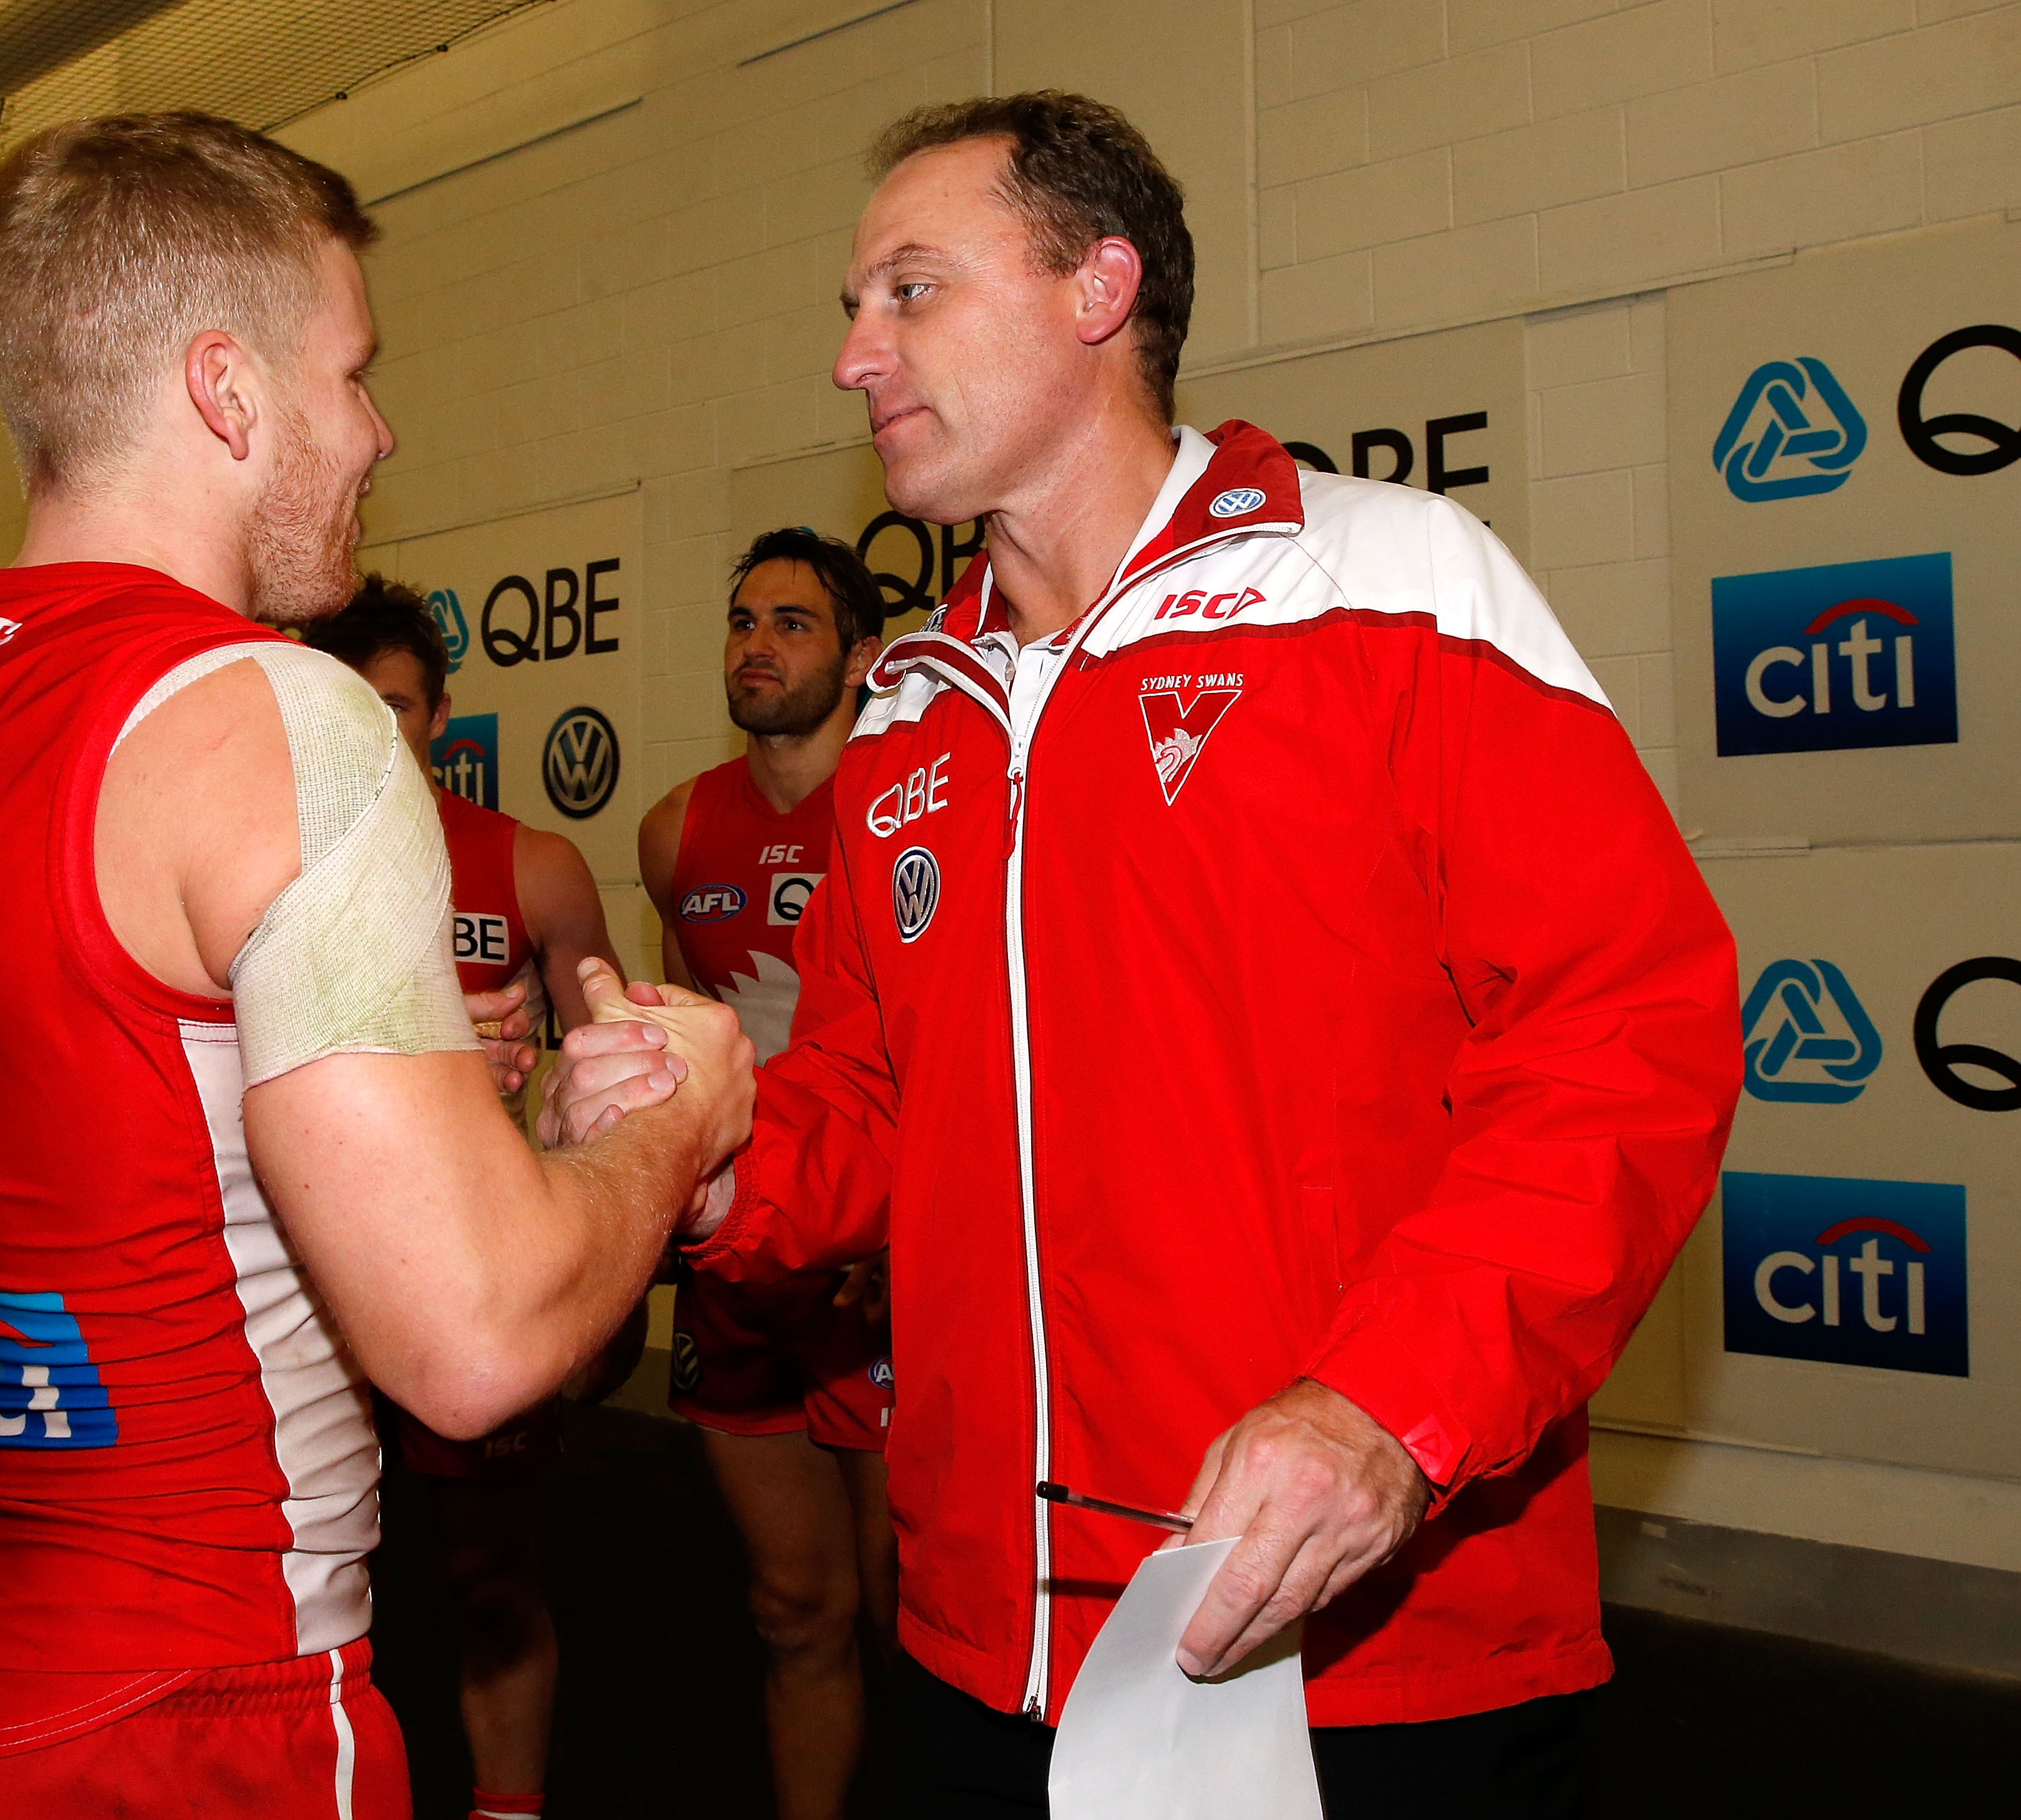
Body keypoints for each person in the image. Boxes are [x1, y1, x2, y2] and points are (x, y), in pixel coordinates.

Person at [550, 92, 1742, 1819]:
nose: (851, 357)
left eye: (907, 292)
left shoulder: (1391, 587)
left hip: (1346, 1648)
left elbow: (1627, 1032)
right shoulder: (910, 716)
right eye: (848, 306)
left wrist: (1385, 1410)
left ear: (1097, 291)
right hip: (979, 1652)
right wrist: (712, 1147)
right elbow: (878, 1103)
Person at [0, 113, 749, 1820]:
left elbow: (120, 1116)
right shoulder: (274, 718)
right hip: (179, 1708)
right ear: (228, 392)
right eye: (349, 373)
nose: (375, 430)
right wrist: (672, 1130)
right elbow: (474, 1338)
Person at [302, 576, 638, 1820]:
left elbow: (617, 1075)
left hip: (462, 1277)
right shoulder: (261, 867)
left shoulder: (528, 864)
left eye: (398, 705)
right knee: (312, 1578)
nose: (376, 730)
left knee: (489, 1573)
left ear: (440, 713)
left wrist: (591, 1283)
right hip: (304, 1296)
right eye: (351, 704)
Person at [635, 528, 897, 1820]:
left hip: (883, 1277)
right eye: (744, 619)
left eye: (793, 622)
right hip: (744, 1278)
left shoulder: (913, 813)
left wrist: (897, 1224)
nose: (757, 642)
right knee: (795, 1605)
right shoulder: (676, 829)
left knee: (913, 1613)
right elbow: (695, 1042)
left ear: (862, 655)